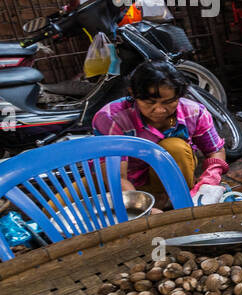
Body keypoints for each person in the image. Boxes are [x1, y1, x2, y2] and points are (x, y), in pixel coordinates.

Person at [91, 61, 228, 205]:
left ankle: (176, 200)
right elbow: (117, 178)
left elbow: (216, 150)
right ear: (133, 93)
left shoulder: (194, 112)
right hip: (123, 184)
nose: (159, 110)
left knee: (175, 147)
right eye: (150, 103)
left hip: (171, 181)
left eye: (168, 102)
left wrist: (209, 179)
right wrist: (142, 208)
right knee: (67, 200)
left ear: (179, 94)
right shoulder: (111, 118)